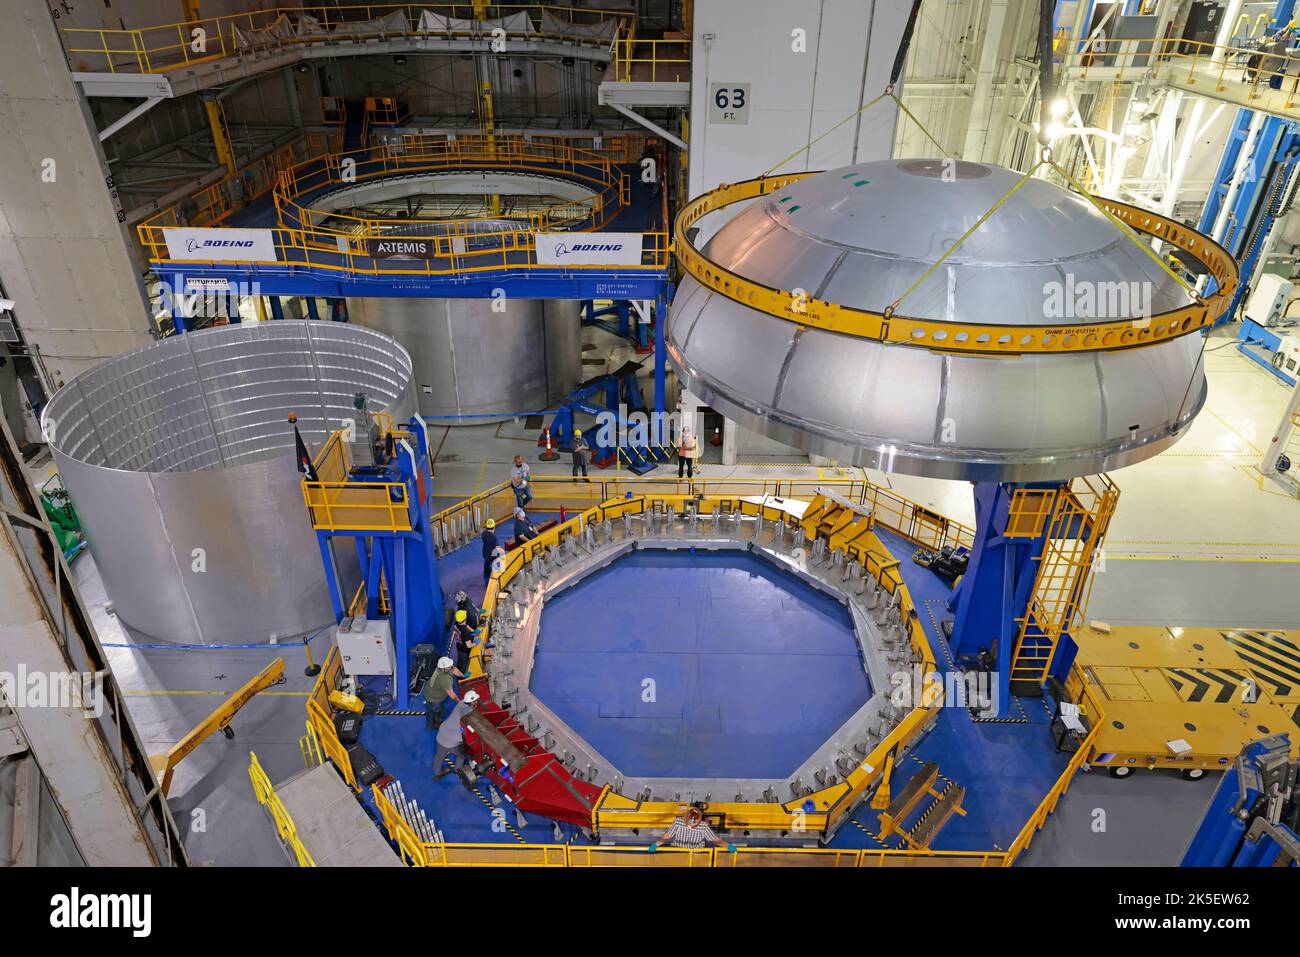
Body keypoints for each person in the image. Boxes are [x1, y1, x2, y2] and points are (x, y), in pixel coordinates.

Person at [648, 804, 735, 852]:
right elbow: (667, 836)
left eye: (695, 821)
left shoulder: (703, 826)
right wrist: (655, 845)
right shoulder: (678, 822)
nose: (692, 823)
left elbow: (715, 839)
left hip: (696, 854)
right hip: (678, 851)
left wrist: (728, 846)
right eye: (690, 820)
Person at [433, 689, 479, 779]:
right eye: (475, 701)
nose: (476, 702)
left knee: (439, 755)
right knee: (461, 754)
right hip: (451, 741)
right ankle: (458, 769)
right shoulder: (468, 711)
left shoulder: (461, 703)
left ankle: (436, 773)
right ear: (471, 702)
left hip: (442, 733)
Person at [422, 656, 463, 731]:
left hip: (430, 691)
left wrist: (463, 676)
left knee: (439, 710)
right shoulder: (444, 679)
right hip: (433, 698)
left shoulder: (442, 668)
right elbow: (452, 695)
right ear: (444, 669)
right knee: (433, 711)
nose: (451, 667)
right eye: (449, 667)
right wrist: (459, 702)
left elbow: (454, 670)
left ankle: (437, 719)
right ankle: (431, 726)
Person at [449, 609, 480, 674]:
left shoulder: (456, 623)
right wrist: (475, 643)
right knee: (464, 664)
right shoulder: (465, 632)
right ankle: (462, 677)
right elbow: (469, 645)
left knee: (460, 661)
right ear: (465, 619)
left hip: (459, 645)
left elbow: (465, 626)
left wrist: (472, 631)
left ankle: (460, 670)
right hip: (464, 650)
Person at [481, 518, 498, 582]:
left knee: (486, 567)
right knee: (494, 568)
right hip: (492, 555)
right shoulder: (494, 537)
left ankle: (486, 578)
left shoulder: (483, 534)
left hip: (485, 554)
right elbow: (496, 548)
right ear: (494, 527)